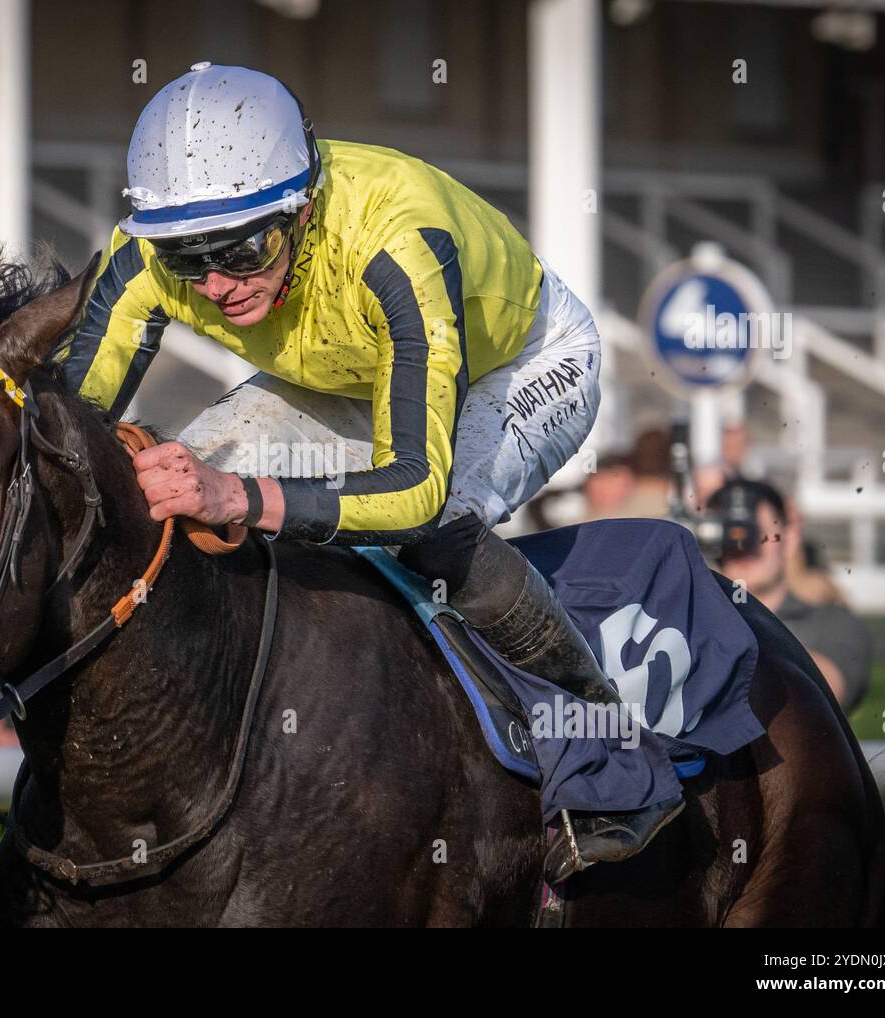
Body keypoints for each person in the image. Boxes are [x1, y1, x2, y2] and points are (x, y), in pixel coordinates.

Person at [55, 63, 681, 877]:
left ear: (303, 211)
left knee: (435, 527)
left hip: (520, 363)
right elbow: (66, 432)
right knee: (176, 499)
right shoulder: (147, 255)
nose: (216, 285)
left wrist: (242, 494)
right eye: (186, 259)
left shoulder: (398, 239)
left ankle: (612, 752)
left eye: (244, 249)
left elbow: (414, 490)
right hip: (348, 369)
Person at [707, 479, 872, 711]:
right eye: (729, 531)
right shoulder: (694, 618)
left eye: (754, 531)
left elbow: (821, 692)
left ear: (790, 536)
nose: (740, 543)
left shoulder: (833, 622)